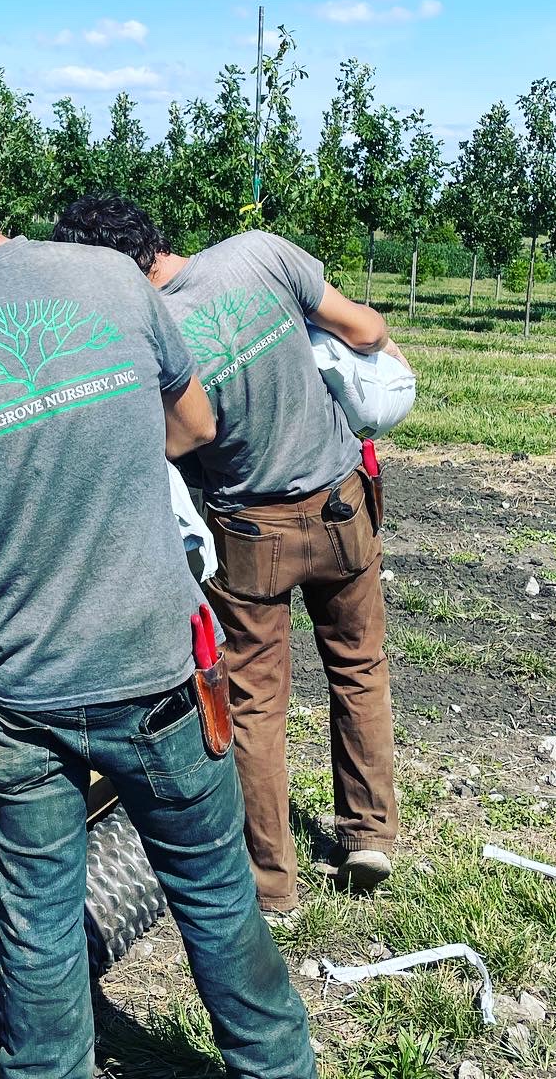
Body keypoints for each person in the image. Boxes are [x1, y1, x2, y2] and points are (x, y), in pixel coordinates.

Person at [0, 109, 316, 1079]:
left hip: (21, 709)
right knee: (218, 908)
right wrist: (88, 440)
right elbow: (193, 426)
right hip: (161, 675)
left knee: (39, 945)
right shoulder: (109, 277)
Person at [54, 194, 401, 917]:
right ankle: (369, 834)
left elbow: (182, 438)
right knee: (359, 668)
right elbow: (366, 328)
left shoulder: (152, 334)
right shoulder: (260, 253)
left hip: (252, 532)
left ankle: (272, 886)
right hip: (341, 503)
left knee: (254, 705)